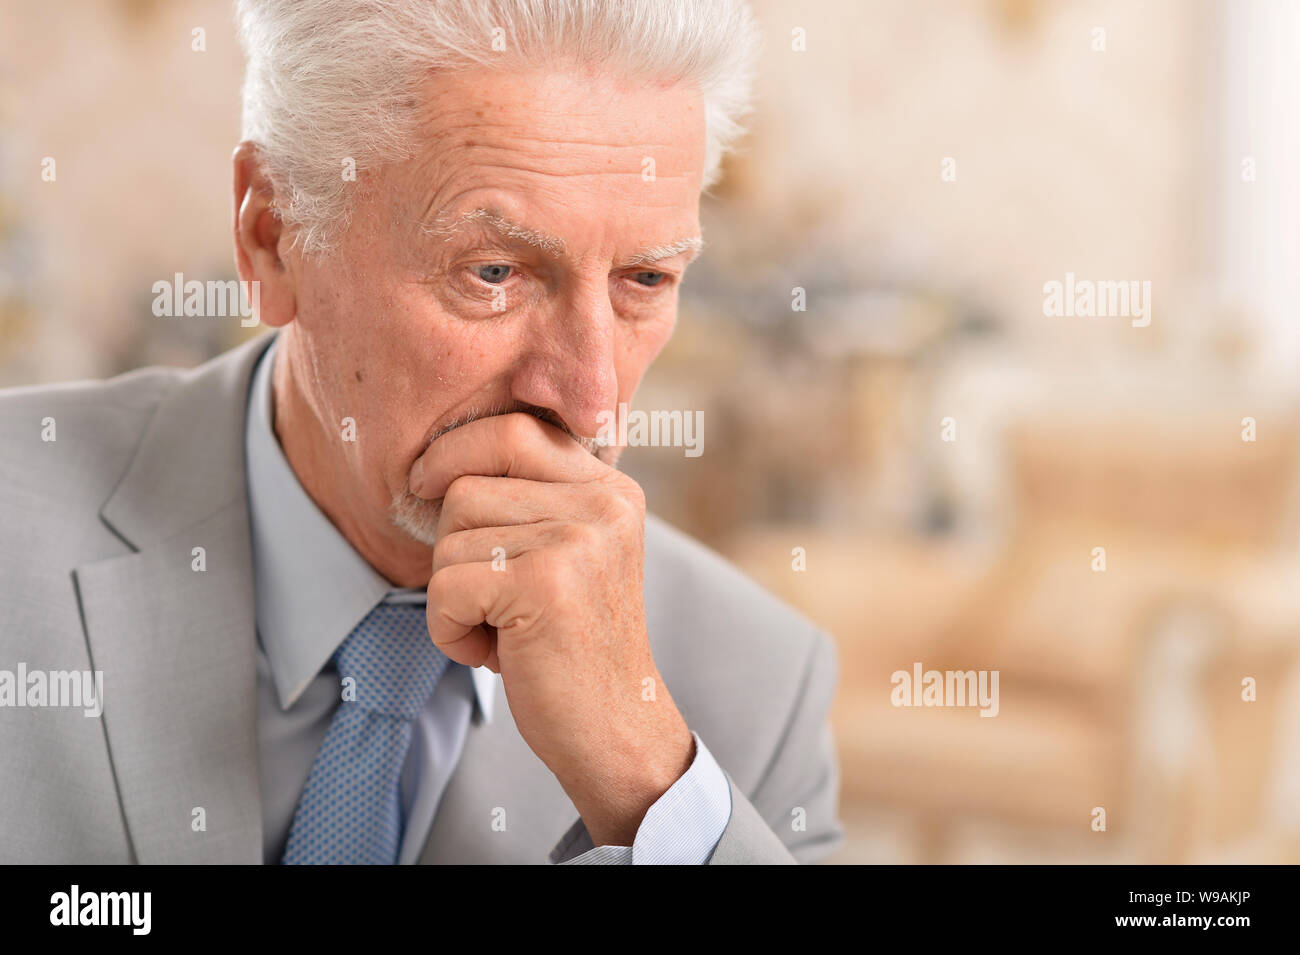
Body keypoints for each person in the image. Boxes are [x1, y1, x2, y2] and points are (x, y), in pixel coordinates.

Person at [0, 0, 842, 864]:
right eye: (495, 271)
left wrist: (642, 783)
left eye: (646, 277)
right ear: (273, 235)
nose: (591, 400)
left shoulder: (758, 689)